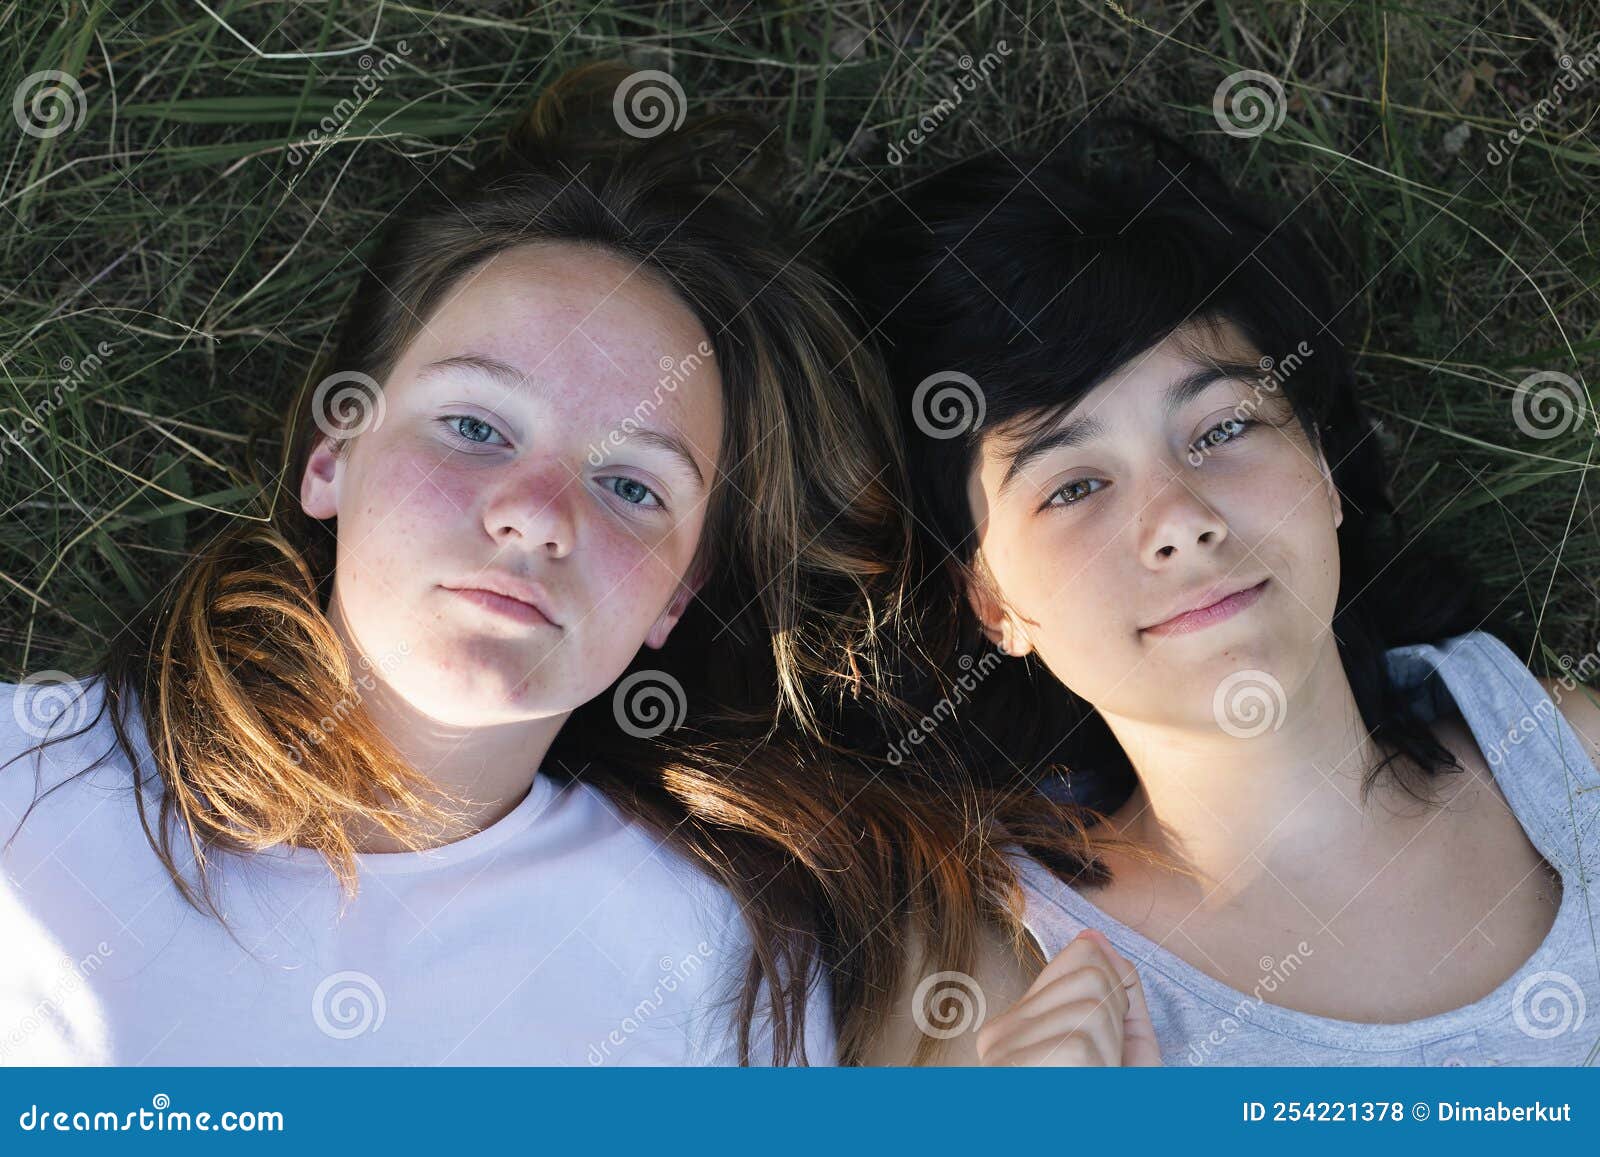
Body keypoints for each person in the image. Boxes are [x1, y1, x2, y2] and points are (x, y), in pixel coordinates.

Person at [0, 61, 914, 1066]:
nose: (535, 515)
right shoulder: (25, 784)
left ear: (678, 591)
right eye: (475, 424)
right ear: (332, 455)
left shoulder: (724, 968)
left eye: (632, 486)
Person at [845, 130, 1600, 1066]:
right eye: (1074, 485)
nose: (1179, 519)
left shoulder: (1559, 750)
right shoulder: (993, 980)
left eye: (1224, 426)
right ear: (992, 602)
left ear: (1323, 470)